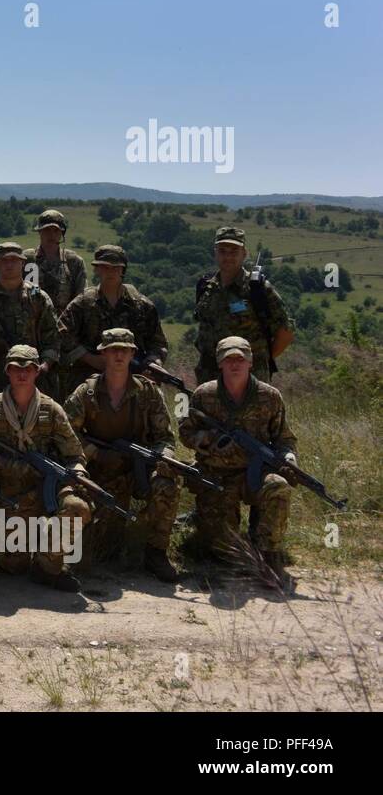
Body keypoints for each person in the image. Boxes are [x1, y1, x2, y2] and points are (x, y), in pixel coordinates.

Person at [0, 345, 92, 593]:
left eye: (28, 368)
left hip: (45, 489)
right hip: (7, 494)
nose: (22, 374)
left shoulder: (51, 410)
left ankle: (48, 566)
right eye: (16, 368)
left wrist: (77, 474)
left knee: (77, 508)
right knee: (14, 566)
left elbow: (75, 453)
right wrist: (4, 464)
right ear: (7, 371)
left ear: (36, 372)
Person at [179, 336, 298, 590]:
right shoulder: (204, 394)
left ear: (251, 362)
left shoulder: (270, 396)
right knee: (222, 548)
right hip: (216, 474)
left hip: (256, 473)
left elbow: (285, 439)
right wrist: (206, 438)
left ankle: (270, 555)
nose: (235, 364)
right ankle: (232, 550)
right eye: (229, 359)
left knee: (279, 486)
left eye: (240, 359)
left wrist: (288, 458)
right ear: (219, 363)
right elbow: (186, 432)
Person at [62, 329, 180, 581]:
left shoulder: (148, 392)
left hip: (138, 468)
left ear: (132, 354)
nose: (118, 355)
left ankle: (156, 553)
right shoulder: (87, 392)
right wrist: (96, 453)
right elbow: (66, 436)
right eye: (113, 349)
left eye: (124, 350)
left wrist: (159, 457)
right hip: (99, 471)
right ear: (103, 353)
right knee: (102, 549)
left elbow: (166, 438)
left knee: (167, 483)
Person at [0, 242, 60, 405]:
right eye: (4, 260)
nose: (9, 264)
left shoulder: (37, 297)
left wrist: (44, 366)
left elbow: (53, 337)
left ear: (22, 263)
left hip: (29, 377)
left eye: (14, 260)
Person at [58, 245, 168, 388]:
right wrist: (89, 358)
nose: (110, 272)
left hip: (133, 381)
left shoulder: (141, 305)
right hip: (89, 380)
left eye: (115, 268)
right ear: (96, 269)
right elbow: (62, 332)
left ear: (123, 270)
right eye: (104, 267)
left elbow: (157, 343)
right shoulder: (84, 302)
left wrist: (153, 362)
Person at [193, 226, 293, 384]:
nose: (228, 256)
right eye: (222, 251)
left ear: (244, 254)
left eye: (234, 251)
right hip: (209, 374)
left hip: (249, 377)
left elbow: (286, 331)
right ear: (215, 253)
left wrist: (259, 360)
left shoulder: (257, 288)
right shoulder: (206, 286)